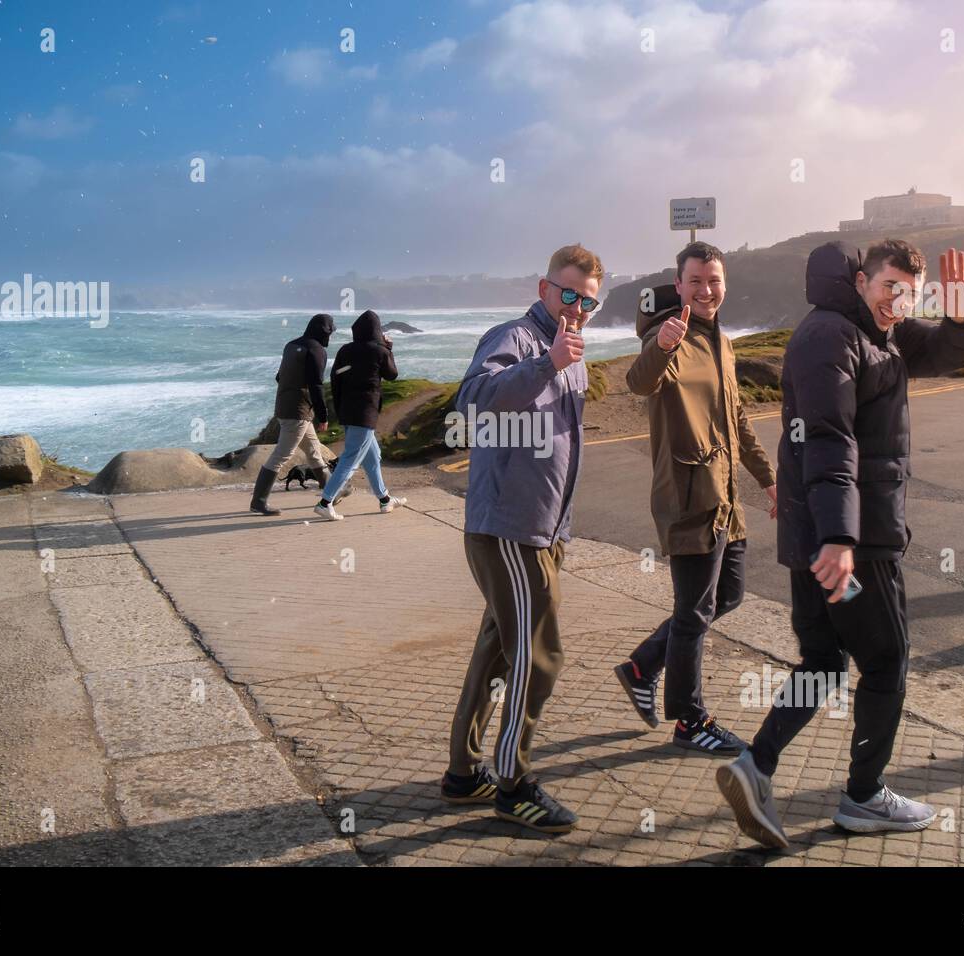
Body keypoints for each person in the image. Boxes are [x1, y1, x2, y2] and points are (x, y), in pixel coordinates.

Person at [717, 239, 964, 849]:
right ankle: (864, 798)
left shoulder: (877, 331)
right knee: (886, 661)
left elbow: (945, 354)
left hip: (827, 536)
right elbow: (830, 441)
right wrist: (841, 537)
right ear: (862, 279)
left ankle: (754, 767)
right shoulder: (830, 338)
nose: (899, 301)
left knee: (825, 663)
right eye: (890, 286)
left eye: (909, 293)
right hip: (852, 542)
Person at [440, 243, 601, 834]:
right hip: (510, 529)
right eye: (567, 293)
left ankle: (464, 773)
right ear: (543, 289)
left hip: (539, 529)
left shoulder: (571, 351)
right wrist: (547, 364)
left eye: (588, 300)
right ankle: (513, 785)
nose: (577, 306)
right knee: (539, 656)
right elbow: (473, 401)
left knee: (499, 651)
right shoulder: (516, 338)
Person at [614, 242, 777, 756]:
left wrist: (769, 480)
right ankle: (689, 719)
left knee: (726, 596)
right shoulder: (672, 339)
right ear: (679, 285)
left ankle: (643, 666)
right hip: (687, 497)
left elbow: (739, 419)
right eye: (696, 281)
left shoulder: (722, 344)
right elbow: (638, 383)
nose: (707, 291)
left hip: (727, 497)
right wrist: (661, 344)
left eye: (714, 281)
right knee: (694, 612)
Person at [312, 309, 406, 520]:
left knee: (373, 458)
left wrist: (337, 408)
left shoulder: (346, 350)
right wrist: (388, 348)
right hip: (365, 413)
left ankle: (385, 499)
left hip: (347, 410)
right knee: (351, 459)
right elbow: (392, 375)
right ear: (377, 330)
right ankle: (325, 502)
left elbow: (335, 380)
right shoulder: (379, 351)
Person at [250, 313, 335, 516]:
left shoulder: (291, 345)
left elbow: (280, 376)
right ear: (326, 332)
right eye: (330, 332)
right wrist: (323, 416)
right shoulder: (317, 350)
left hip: (284, 405)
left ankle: (334, 490)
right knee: (281, 455)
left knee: (314, 451)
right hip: (298, 411)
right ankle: (258, 502)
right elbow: (316, 385)